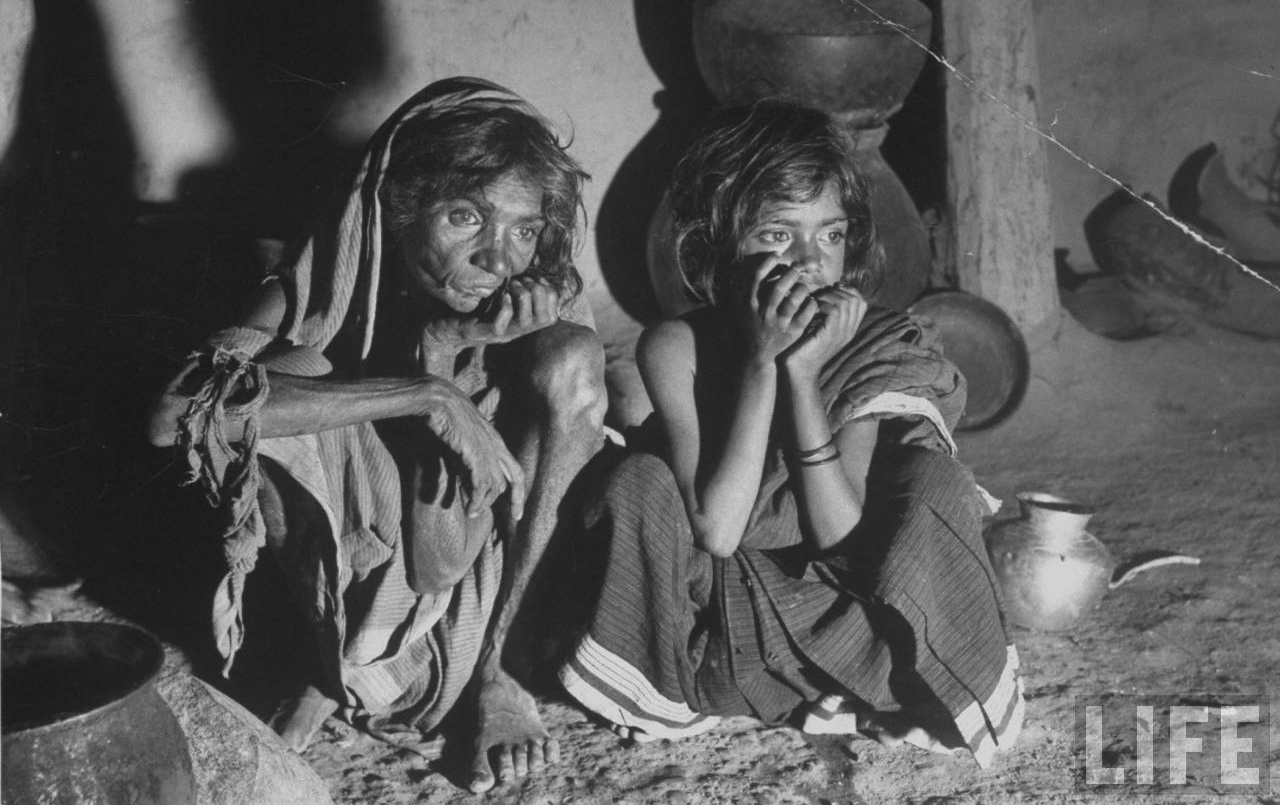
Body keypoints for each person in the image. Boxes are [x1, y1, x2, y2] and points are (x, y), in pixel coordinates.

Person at [148, 77, 606, 793]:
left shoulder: (526, 301)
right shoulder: (323, 278)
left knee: (574, 356)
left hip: (479, 610)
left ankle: (500, 676)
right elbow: (173, 416)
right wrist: (428, 390)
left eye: (523, 229)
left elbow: (439, 567)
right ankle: (320, 663)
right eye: (465, 217)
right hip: (357, 611)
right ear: (398, 207)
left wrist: (446, 353)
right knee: (285, 376)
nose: (498, 258)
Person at [558, 100, 1023, 766]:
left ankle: (884, 686)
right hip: (721, 632)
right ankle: (679, 689)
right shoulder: (677, 345)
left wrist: (803, 375)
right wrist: (760, 362)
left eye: (830, 236)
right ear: (719, 242)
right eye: (779, 236)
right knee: (635, 480)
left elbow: (840, 535)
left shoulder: (872, 341)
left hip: (851, 621)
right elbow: (718, 533)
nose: (811, 262)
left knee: (933, 481)